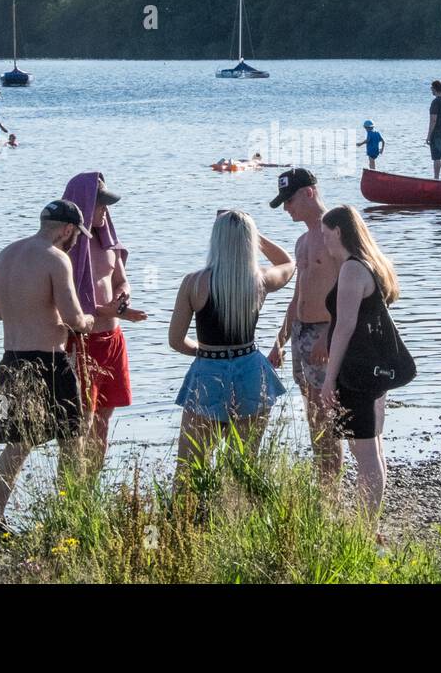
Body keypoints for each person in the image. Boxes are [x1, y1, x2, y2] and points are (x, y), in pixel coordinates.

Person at [0, 199, 95, 548]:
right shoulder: (56, 259)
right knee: (72, 442)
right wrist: (89, 321)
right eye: (76, 233)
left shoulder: (6, 254)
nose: (75, 239)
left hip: (11, 361)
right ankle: (69, 517)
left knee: (17, 446)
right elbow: (75, 319)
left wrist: (29, 321)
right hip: (48, 363)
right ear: (66, 229)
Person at [167, 210, 294, 486]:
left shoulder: (194, 283)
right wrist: (254, 235)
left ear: (216, 240)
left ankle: (184, 521)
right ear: (250, 242)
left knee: (190, 467)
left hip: (208, 373)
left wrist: (203, 353)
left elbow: (176, 340)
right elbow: (287, 263)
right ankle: (239, 519)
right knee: (244, 464)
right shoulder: (259, 280)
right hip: (250, 370)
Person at [319, 205, 402, 528]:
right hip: (373, 369)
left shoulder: (352, 270)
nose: (325, 243)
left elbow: (344, 326)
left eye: (326, 235)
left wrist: (329, 379)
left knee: (365, 453)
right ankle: (370, 525)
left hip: (357, 372)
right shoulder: (374, 264)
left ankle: (366, 530)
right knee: (372, 447)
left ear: (339, 231)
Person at [63, 173, 147, 468]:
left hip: (113, 338)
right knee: (81, 418)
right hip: (83, 339)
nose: (105, 211)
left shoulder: (108, 240)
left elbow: (122, 279)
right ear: (84, 205)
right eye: (101, 205)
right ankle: (71, 490)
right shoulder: (67, 246)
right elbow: (67, 302)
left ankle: (91, 487)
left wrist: (122, 296)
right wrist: (107, 310)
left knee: (105, 415)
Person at [269, 168, 343, 484]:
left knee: (328, 417)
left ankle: (332, 493)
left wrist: (328, 336)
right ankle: (324, 485)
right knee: (312, 415)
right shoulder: (301, 242)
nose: (287, 208)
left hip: (326, 333)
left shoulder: (338, 233)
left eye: (290, 200)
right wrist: (280, 341)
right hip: (302, 334)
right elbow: (298, 296)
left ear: (309, 193)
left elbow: (350, 290)